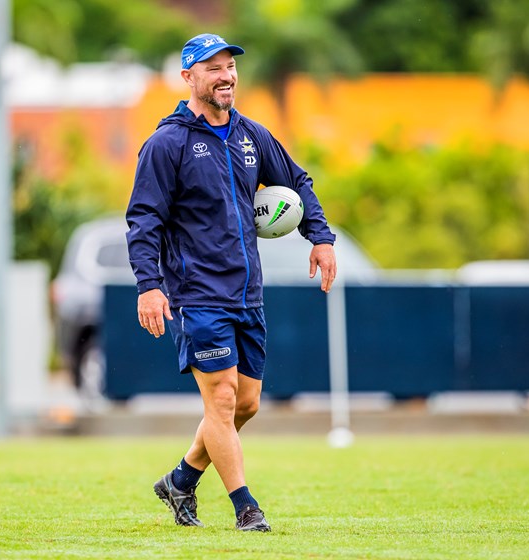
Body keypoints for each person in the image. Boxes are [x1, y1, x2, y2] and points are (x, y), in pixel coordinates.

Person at [125, 33, 337, 532]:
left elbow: (298, 181)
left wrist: (320, 238)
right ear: (188, 77)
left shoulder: (249, 136)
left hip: (248, 294)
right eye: (213, 67)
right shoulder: (166, 144)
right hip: (197, 295)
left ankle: (181, 479)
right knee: (220, 400)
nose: (226, 76)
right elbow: (143, 220)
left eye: (230, 67)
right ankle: (247, 508)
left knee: (245, 404)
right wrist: (148, 285)